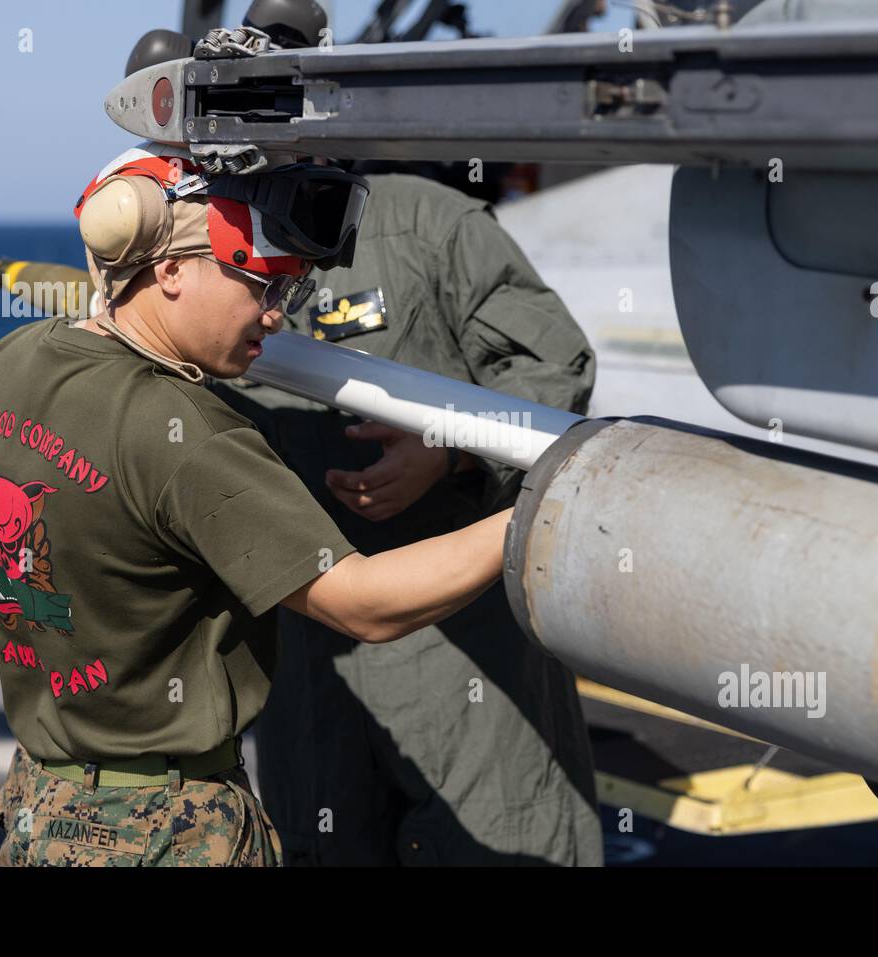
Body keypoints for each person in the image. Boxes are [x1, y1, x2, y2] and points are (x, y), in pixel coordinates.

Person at [0, 144, 513, 866]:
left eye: (288, 289)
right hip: (165, 831)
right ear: (171, 270)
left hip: (36, 805)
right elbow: (367, 604)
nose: (276, 316)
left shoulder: (5, 365)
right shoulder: (193, 437)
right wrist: (533, 517)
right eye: (262, 282)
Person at [208, 5, 604, 859]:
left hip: (461, 651)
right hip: (309, 665)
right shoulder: (204, 250)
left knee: (498, 841)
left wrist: (447, 447)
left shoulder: (428, 224)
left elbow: (554, 368)